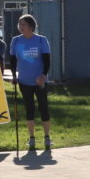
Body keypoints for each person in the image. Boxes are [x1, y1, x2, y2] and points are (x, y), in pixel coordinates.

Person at [9, 14, 54, 152]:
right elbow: (12, 60)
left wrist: (43, 75)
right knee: (29, 109)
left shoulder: (41, 40)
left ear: (31, 26)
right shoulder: (15, 41)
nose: (21, 27)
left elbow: (47, 60)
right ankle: (32, 138)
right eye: (20, 24)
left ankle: (47, 136)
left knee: (43, 107)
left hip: (39, 80)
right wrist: (14, 76)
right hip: (24, 80)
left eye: (24, 24)